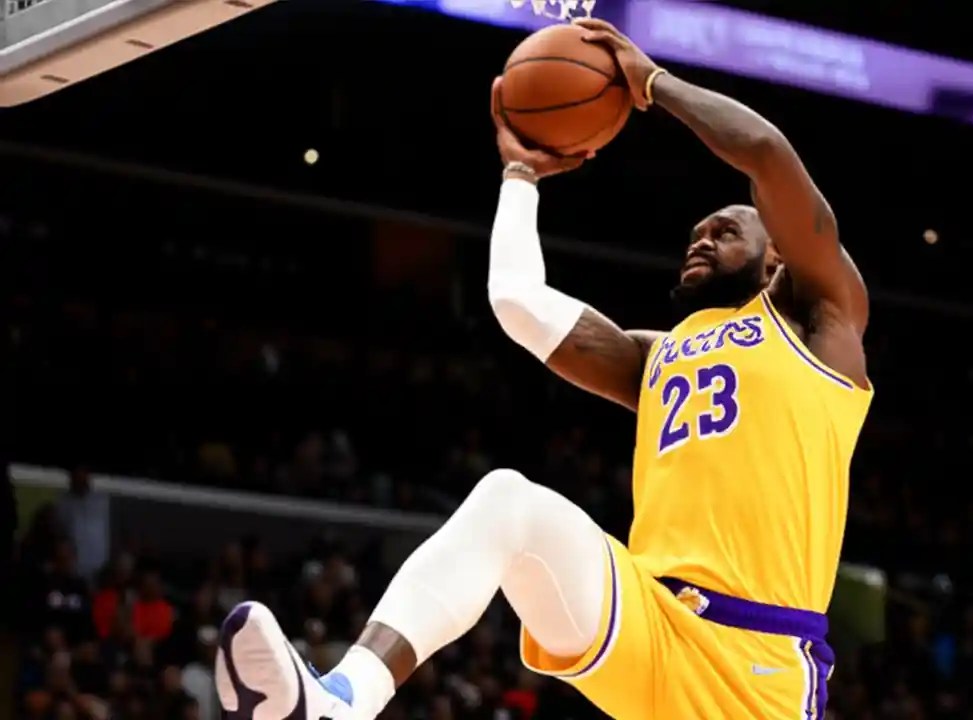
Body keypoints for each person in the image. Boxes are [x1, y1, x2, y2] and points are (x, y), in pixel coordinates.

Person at [215, 18, 871, 720]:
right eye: (695, 234)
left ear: (777, 257)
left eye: (724, 231)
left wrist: (652, 83)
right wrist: (521, 176)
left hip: (757, 661)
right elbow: (517, 303)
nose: (701, 240)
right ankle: (343, 702)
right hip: (653, 618)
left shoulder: (820, 322)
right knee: (508, 504)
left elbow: (767, 154)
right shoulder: (657, 356)